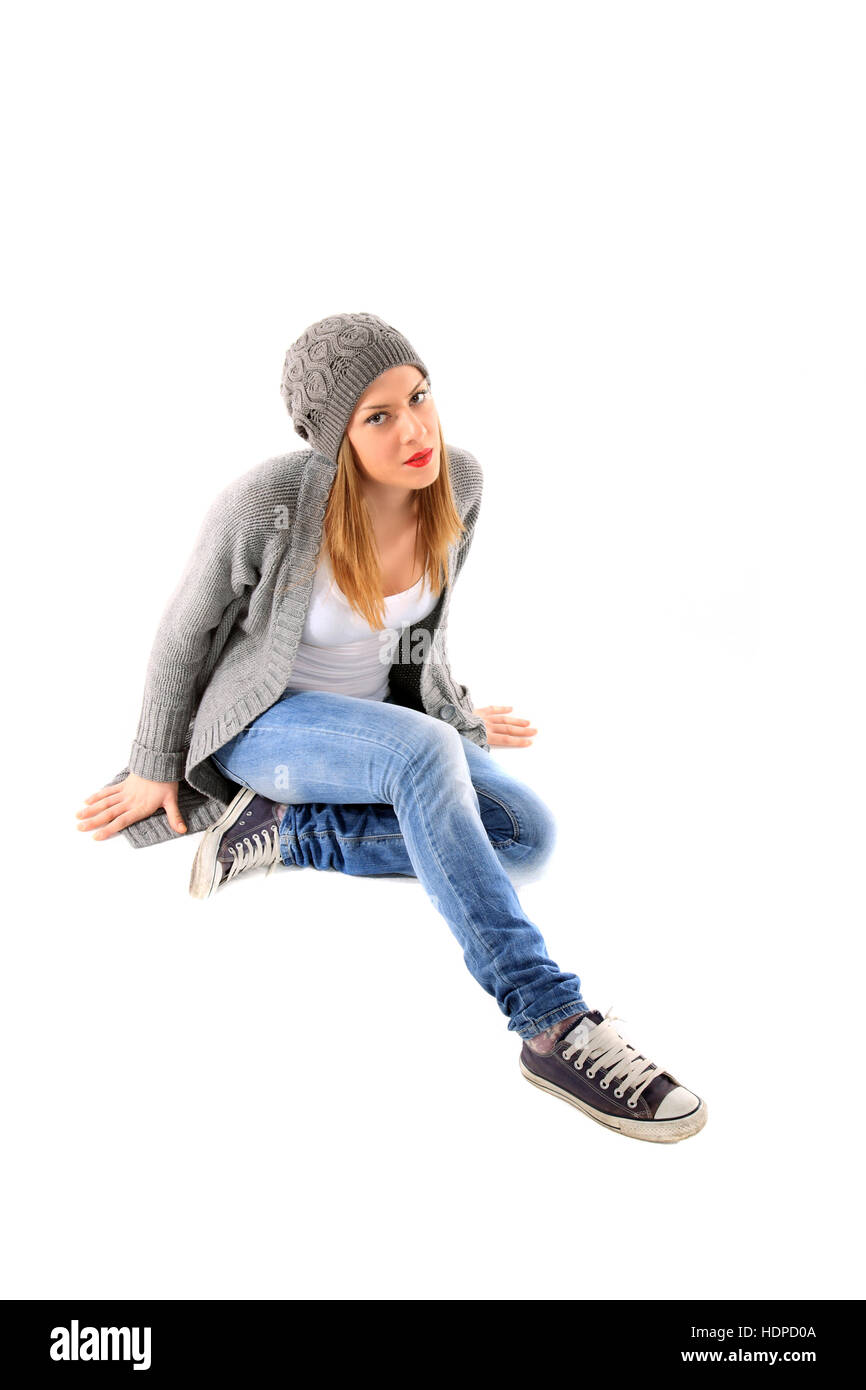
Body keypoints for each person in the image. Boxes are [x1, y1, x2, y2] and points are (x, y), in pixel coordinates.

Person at [76, 311, 707, 1144]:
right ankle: (551, 1023)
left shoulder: (460, 484)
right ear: (332, 434)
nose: (414, 429)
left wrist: (452, 707)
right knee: (425, 753)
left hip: (377, 730)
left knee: (526, 836)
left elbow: (416, 630)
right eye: (377, 416)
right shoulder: (269, 504)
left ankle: (294, 836)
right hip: (267, 727)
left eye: (419, 396)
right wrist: (156, 762)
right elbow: (186, 629)